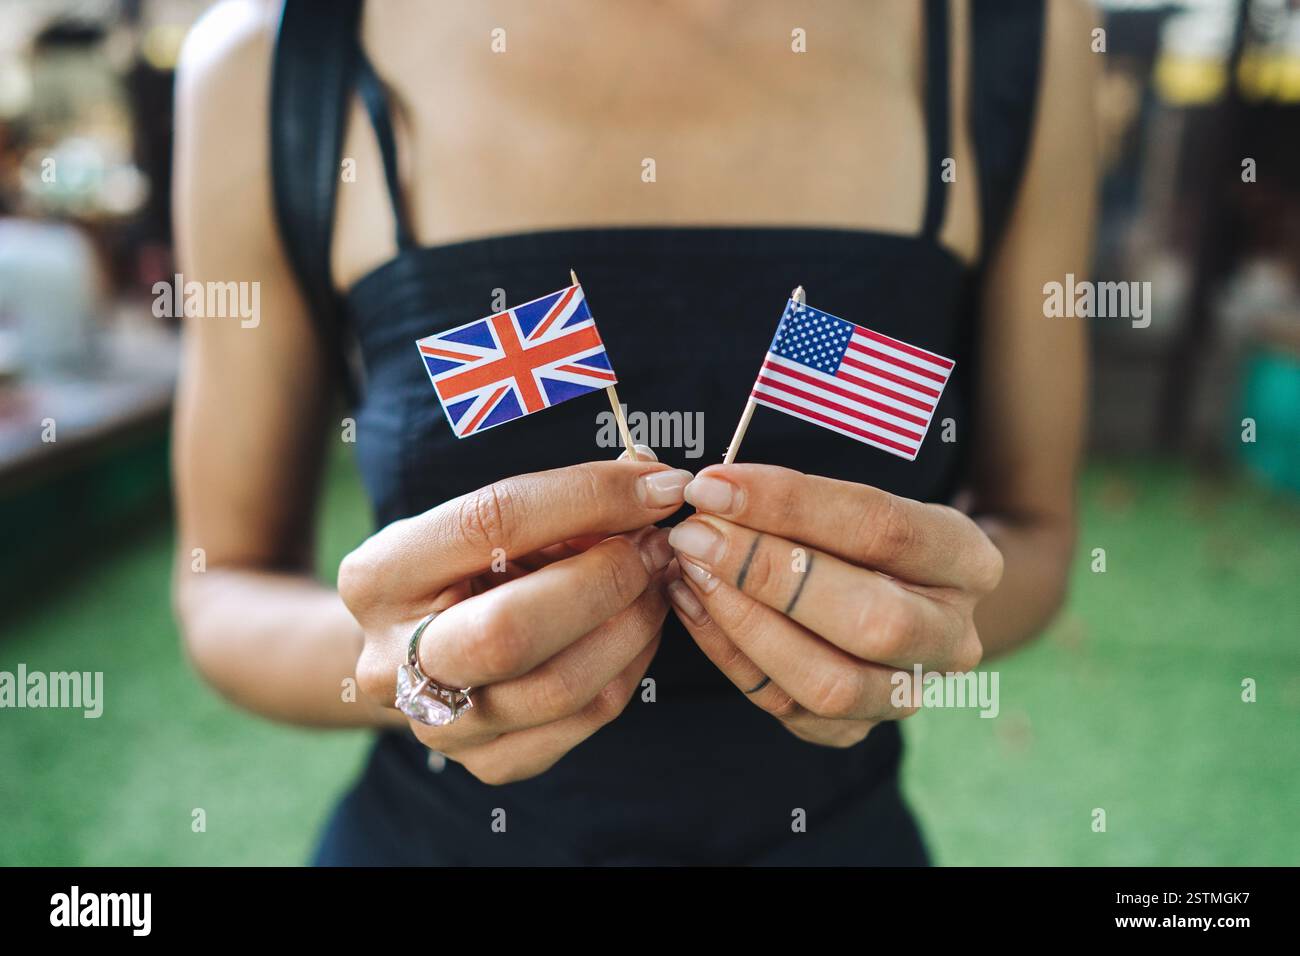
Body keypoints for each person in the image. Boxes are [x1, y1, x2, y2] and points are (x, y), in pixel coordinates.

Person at [171, 0, 1095, 865]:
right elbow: (223, 588)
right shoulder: (269, 56)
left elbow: (1036, 532)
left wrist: (918, 622)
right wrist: (426, 668)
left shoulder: (1016, 32)